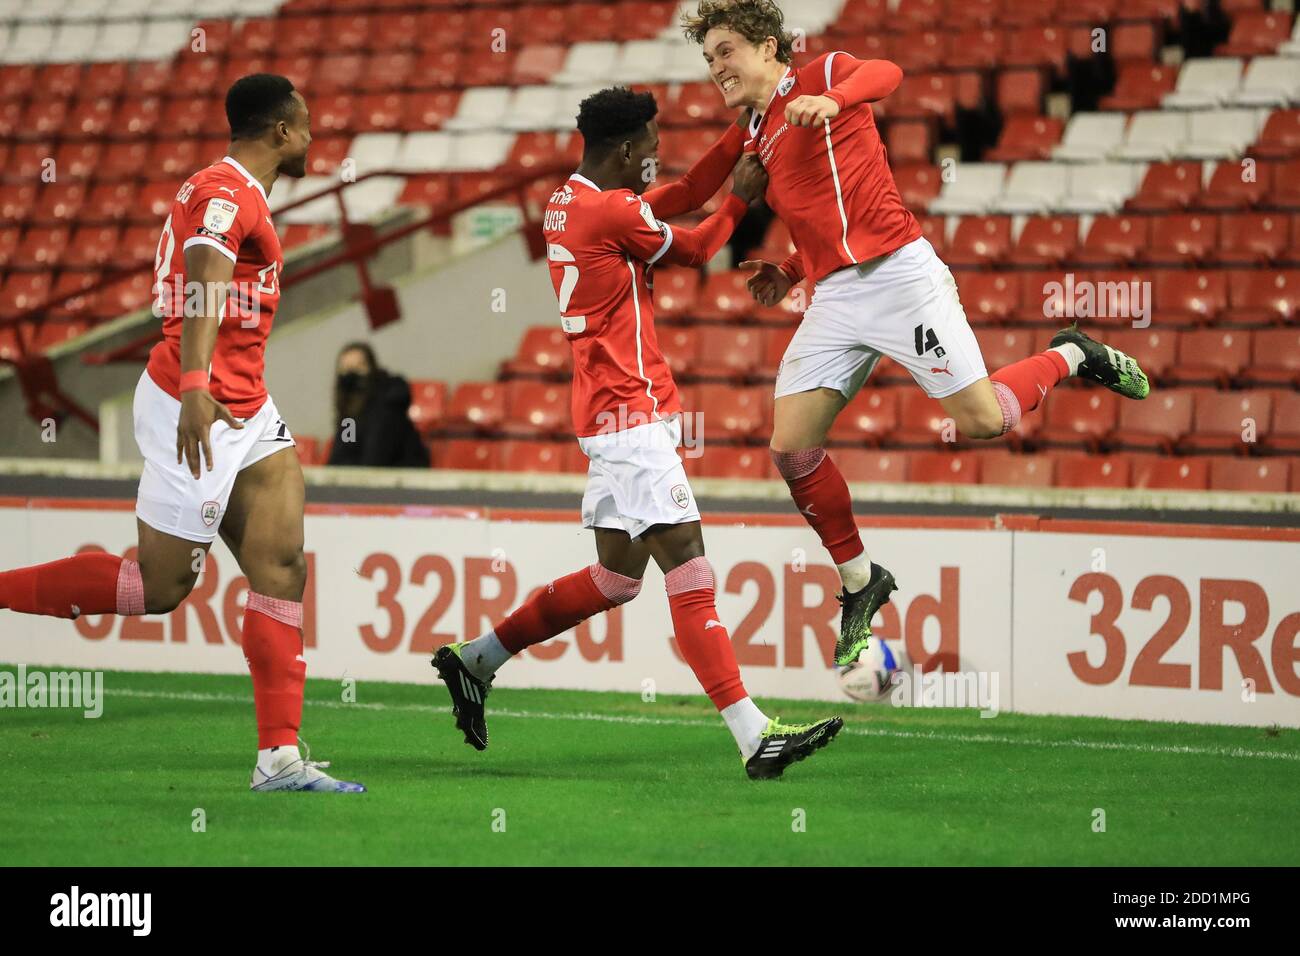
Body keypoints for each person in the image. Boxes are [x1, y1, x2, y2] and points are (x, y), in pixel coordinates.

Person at [683, 0, 1152, 668]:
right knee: (790, 447)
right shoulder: (755, 131)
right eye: (708, 59)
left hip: (901, 277)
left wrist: (834, 99)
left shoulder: (821, 74)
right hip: (836, 295)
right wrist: (788, 266)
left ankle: (1073, 351)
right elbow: (791, 201)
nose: (715, 68)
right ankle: (860, 583)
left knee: (984, 419)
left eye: (725, 51)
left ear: (765, 46)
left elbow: (888, 71)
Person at [431, 86, 843, 780]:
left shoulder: (574, 199)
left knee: (615, 579)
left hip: (605, 412)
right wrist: (741, 199)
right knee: (689, 561)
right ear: (625, 150)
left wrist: (743, 139)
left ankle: (477, 660)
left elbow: (681, 190)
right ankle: (754, 737)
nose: (656, 156)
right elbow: (700, 244)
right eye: (649, 145)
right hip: (631, 415)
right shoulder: (612, 208)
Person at [0, 74, 364, 793]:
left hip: (246, 409)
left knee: (283, 563)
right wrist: (197, 385)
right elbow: (204, 277)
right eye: (308, 125)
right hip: (190, 404)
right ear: (281, 132)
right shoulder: (226, 191)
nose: (315, 139)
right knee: (158, 587)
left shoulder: (234, 191)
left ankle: (279, 760)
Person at [326, 342, 430, 468]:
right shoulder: (350, 417)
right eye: (347, 369)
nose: (352, 375)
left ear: (371, 367)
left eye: (359, 367)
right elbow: (344, 453)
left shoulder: (388, 404)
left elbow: (375, 459)